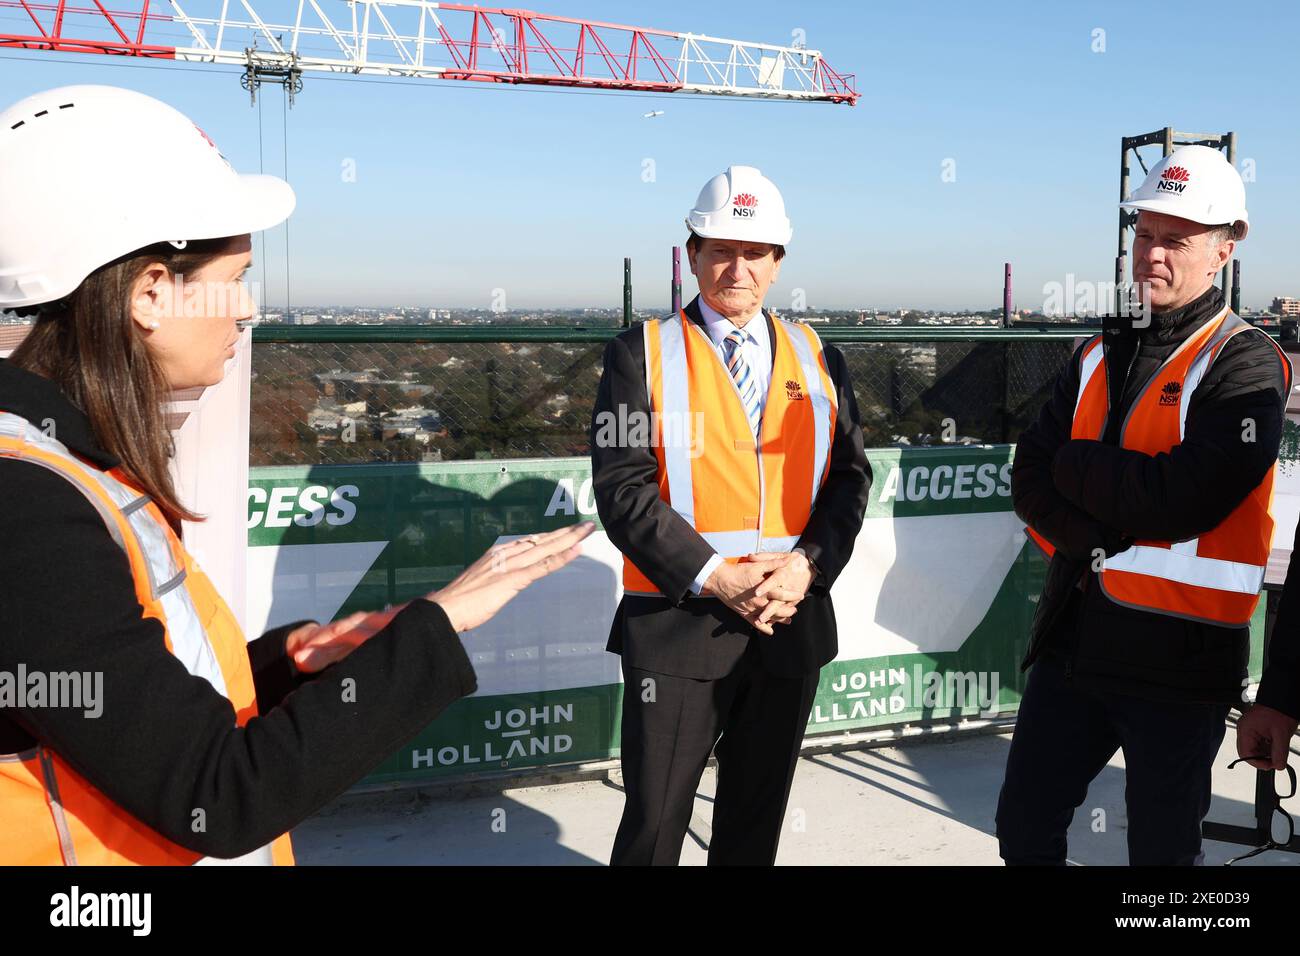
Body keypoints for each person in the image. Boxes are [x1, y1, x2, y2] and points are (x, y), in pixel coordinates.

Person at [0, 84, 593, 865]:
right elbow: (217, 794)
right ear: (148, 292)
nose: (247, 310)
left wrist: (289, 662)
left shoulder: (66, 468)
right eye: (235, 277)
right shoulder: (29, 508)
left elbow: (146, 718)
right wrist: (438, 627)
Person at [999, 144, 1290, 865]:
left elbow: (1184, 497)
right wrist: (1099, 527)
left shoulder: (1246, 361)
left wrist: (1077, 465)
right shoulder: (1098, 351)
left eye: (1177, 241)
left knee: (1162, 855)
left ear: (1223, 251)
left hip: (1179, 661)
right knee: (1025, 829)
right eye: (1146, 236)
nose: (1154, 255)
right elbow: (1029, 478)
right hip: (1074, 640)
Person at [590, 165, 872, 865]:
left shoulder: (819, 356)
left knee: (753, 826)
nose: (735, 267)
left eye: (753, 253)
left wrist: (807, 566)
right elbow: (621, 489)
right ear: (691, 256)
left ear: (778, 264)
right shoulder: (639, 354)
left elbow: (849, 480)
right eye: (719, 249)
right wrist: (715, 576)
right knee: (655, 827)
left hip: (787, 623)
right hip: (678, 628)